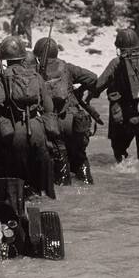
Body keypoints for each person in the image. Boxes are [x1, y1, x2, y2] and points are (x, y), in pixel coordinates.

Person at [0, 35, 58, 197]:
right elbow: (48, 106)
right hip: (37, 128)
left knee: (18, 179)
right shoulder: (35, 76)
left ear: (4, 59)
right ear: (23, 57)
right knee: (44, 179)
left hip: (16, 129)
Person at [33, 37, 100, 185]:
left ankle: (64, 192)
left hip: (51, 123)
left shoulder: (35, 71)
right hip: (73, 121)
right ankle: (87, 186)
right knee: (80, 157)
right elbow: (93, 78)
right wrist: (80, 91)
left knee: (60, 160)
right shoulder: (67, 68)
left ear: (37, 55)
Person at [95, 28, 139, 163]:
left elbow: (99, 84)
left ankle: (124, 177)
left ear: (119, 47)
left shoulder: (117, 62)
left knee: (119, 153)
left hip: (125, 115)